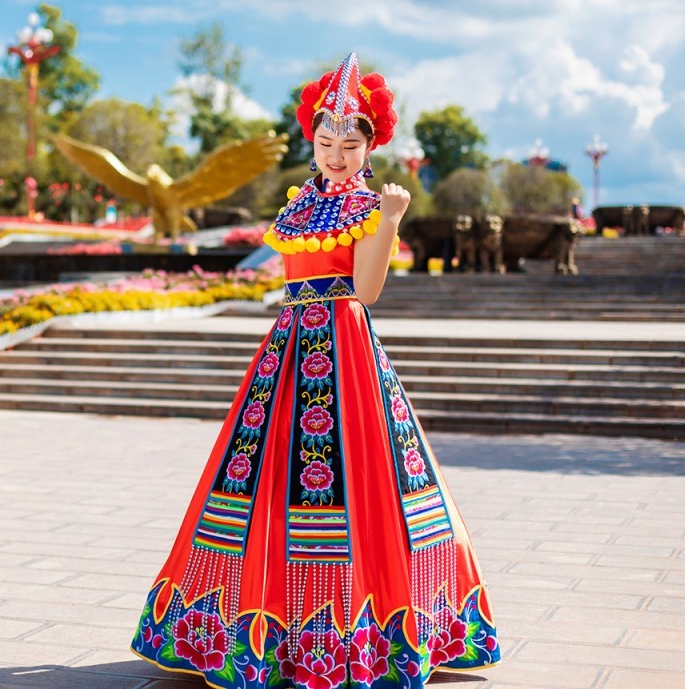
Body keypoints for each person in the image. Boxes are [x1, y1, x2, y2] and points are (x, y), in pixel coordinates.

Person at [130, 53, 500, 688]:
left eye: (349, 145)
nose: (336, 154)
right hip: (288, 346)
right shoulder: (300, 203)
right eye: (326, 143)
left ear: (370, 147)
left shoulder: (370, 206)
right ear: (313, 143)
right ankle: (251, 623)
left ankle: (360, 627)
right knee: (265, 477)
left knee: (356, 479)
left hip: (344, 345)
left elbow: (367, 290)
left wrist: (390, 220)